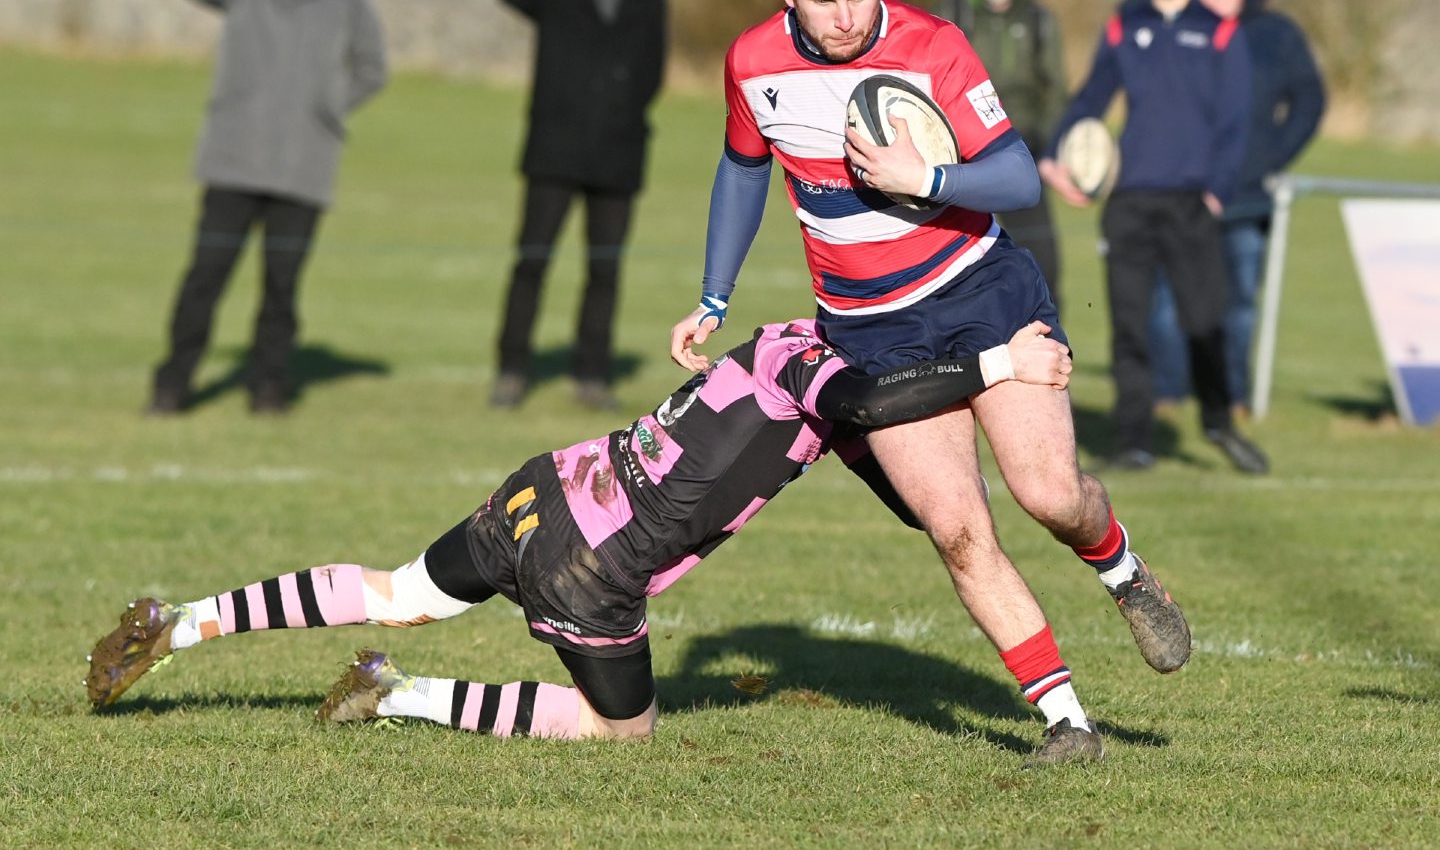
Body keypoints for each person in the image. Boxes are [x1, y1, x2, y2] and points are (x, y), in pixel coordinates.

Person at [669, 0, 1195, 765]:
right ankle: (1067, 722)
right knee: (956, 528)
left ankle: (1122, 568)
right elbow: (744, 167)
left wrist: (928, 179)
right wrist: (714, 296)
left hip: (980, 292)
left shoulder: (935, 46)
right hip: (871, 333)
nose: (845, 18)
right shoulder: (752, 62)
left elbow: (1017, 175)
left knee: (1049, 495)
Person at [88, 321, 1077, 761]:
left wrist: (943, 460)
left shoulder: (782, 341)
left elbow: (905, 489)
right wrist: (996, 366)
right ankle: (399, 694)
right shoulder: (828, 374)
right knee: (621, 732)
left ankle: (184, 620)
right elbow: (862, 400)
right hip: (592, 563)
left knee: (398, 591)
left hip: (549, 485)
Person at [147, 0, 387, 416]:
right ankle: (173, 384)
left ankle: (269, 387)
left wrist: (328, 107)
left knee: (281, 287)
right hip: (233, 160)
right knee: (205, 278)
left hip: (304, 167)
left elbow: (372, 68)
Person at [1042, 0, 1269, 473]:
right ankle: (1134, 440)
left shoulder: (1219, 30)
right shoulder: (1126, 24)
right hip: (1131, 202)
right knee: (1130, 326)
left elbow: (1235, 122)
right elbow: (1092, 96)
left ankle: (1218, 422)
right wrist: (1057, 153)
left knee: (1204, 322)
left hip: (1192, 202)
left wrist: (1216, 192)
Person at [492, 0, 668, 412]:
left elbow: (652, 73)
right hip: (553, 151)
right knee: (532, 261)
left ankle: (592, 374)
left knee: (604, 270)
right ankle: (511, 370)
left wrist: (619, 114)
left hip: (618, 155)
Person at [1148, 0, 1326, 411]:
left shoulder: (1277, 34)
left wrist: (1272, 156)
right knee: (1167, 299)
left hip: (1247, 194)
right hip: (1179, 191)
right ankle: (1168, 393)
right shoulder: (1171, 27)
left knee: (1239, 302)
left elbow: (1310, 99)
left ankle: (1233, 396)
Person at [933, 0, 1073, 311]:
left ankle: (1048, 339)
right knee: (955, 268)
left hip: (1023, 156)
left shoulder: (1039, 20)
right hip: (962, 158)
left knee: (1042, 266)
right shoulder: (950, 14)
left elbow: (1055, 91)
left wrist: (1047, 150)